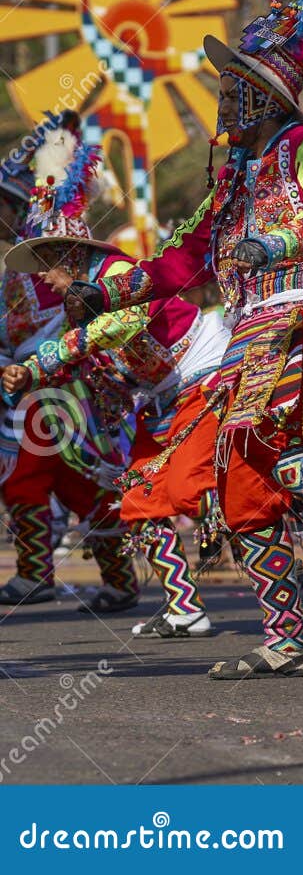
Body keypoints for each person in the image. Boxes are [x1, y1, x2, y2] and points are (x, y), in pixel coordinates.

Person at [63, 0, 303, 678]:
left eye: (235, 89)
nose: (224, 101)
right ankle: (286, 638)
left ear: (265, 95)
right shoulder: (232, 184)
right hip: (259, 318)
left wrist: (274, 244)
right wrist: (105, 295)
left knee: (255, 430)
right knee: (241, 478)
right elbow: (177, 263)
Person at [0, 114, 141, 613]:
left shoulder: (96, 277)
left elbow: (113, 335)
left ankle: (121, 580)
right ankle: (38, 572)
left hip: (82, 396)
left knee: (91, 489)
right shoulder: (12, 283)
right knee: (27, 481)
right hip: (31, 397)